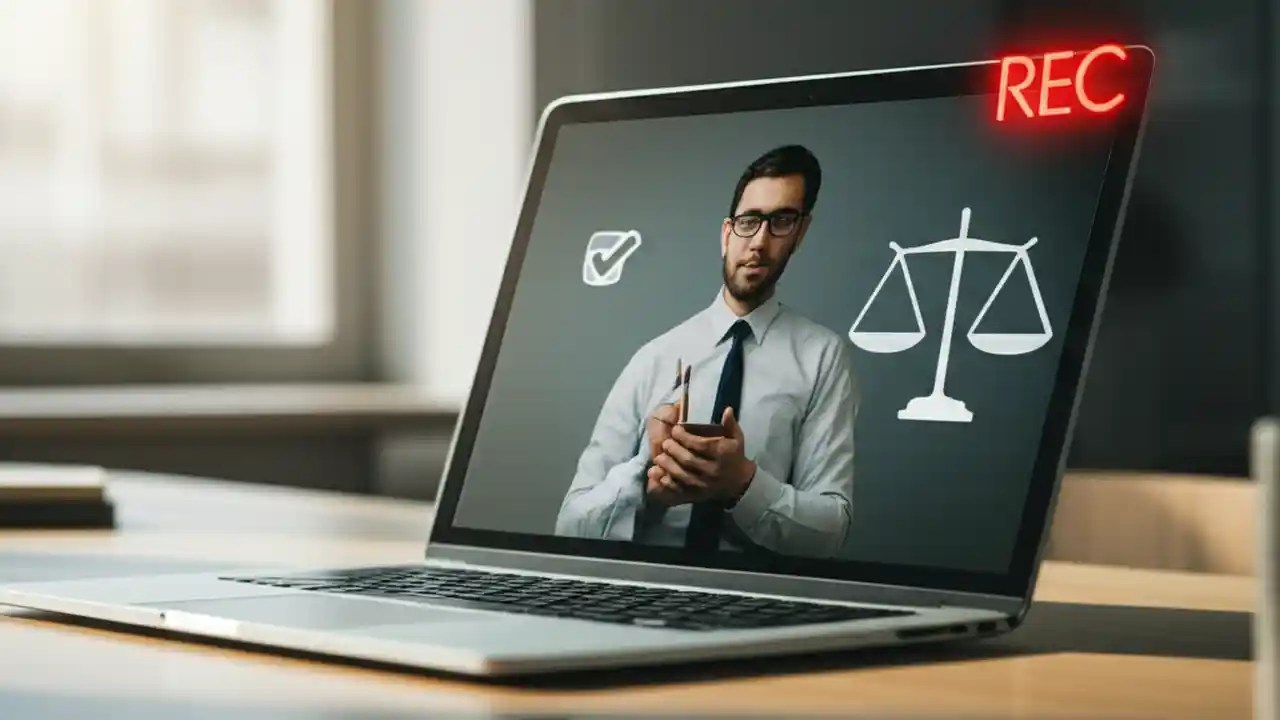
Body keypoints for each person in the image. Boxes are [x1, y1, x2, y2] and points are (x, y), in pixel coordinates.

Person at [555, 145, 857, 558]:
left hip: (756, 605)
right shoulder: (653, 358)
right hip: (641, 595)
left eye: (781, 221)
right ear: (726, 233)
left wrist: (743, 484)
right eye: (749, 221)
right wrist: (648, 483)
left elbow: (829, 534)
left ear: (801, 233)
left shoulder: (822, 358)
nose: (760, 242)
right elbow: (570, 524)